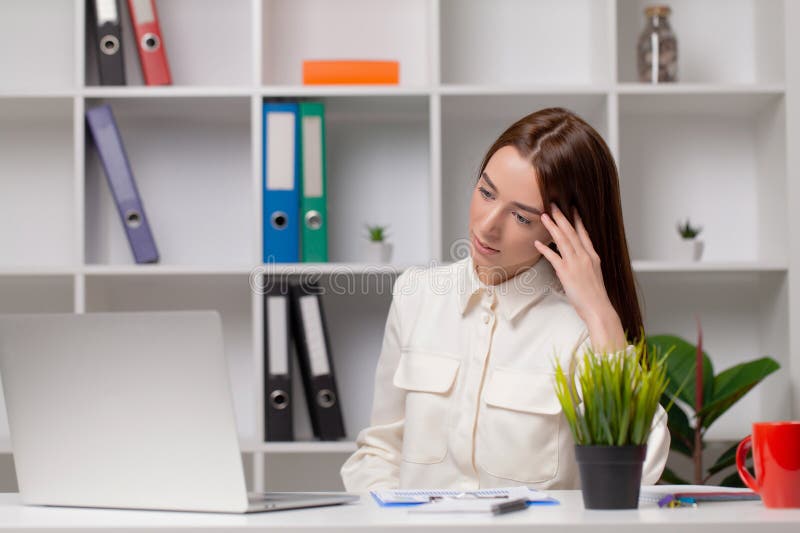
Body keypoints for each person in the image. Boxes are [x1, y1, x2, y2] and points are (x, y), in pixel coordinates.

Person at [340, 107, 669, 491]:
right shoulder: (417, 297)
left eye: (522, 217)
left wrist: (600, 315)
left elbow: (639, 472)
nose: (487, 225)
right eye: (486, 192)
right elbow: (381, 452)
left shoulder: (581, 332)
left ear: (565, 231)